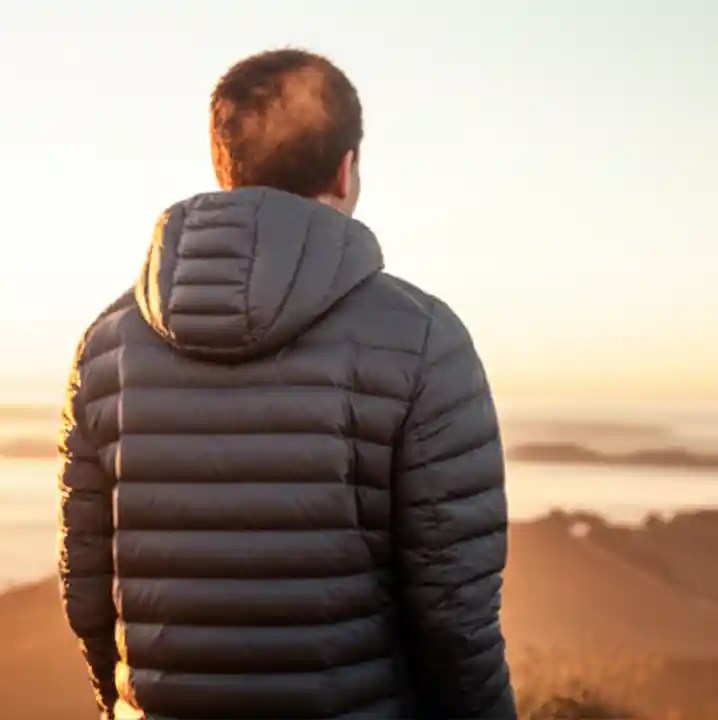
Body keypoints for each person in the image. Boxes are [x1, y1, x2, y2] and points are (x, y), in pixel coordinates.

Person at [58, 48, 516, 720]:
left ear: (224, 167)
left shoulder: (106, 349)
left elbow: (88, 599)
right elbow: (455, 618)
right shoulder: (423, 340)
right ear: (346, 168)